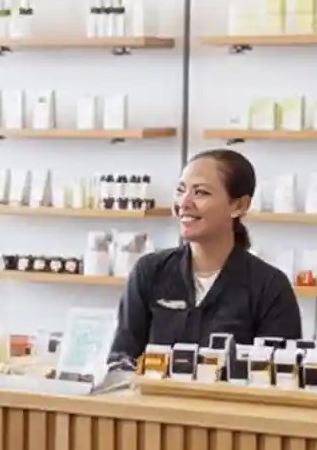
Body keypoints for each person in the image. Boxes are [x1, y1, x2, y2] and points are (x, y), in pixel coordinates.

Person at [110, 149, 301, 363]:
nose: (184, 203)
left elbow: (280, 374)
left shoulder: (269, 287)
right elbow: (122, 359)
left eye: (200, 192)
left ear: (239, 205)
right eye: (181, 190)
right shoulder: (150, 271)